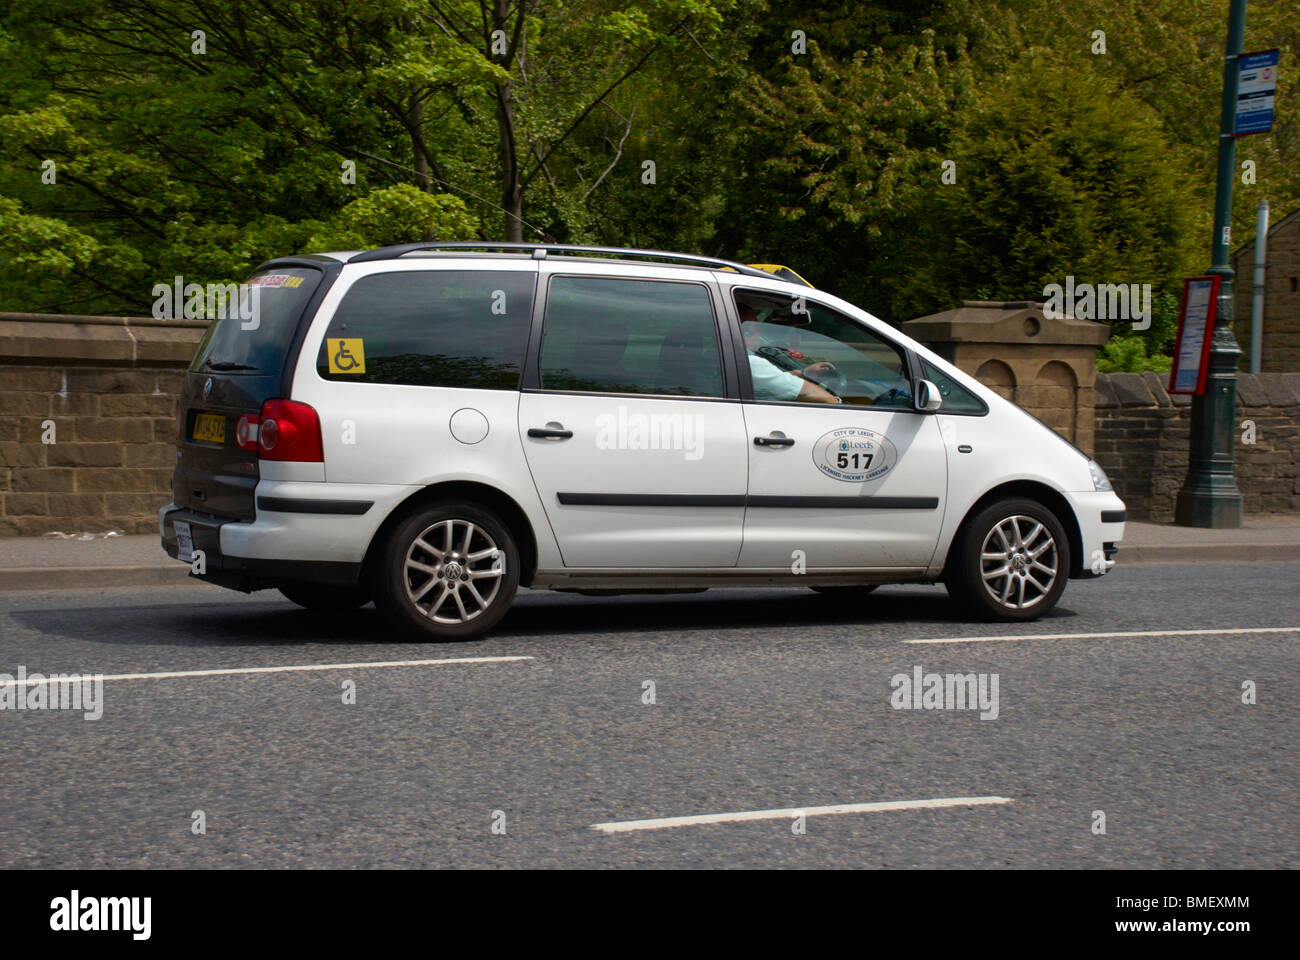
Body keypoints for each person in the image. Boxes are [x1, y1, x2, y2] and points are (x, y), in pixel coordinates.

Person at [738, 302, 841, 403]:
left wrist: (804, 373)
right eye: (755, 326)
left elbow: (776, 378)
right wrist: (838, 403)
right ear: (745, 331)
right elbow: (810, 393)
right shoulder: (751, 364)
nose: (760, 332)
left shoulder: (734, 359)